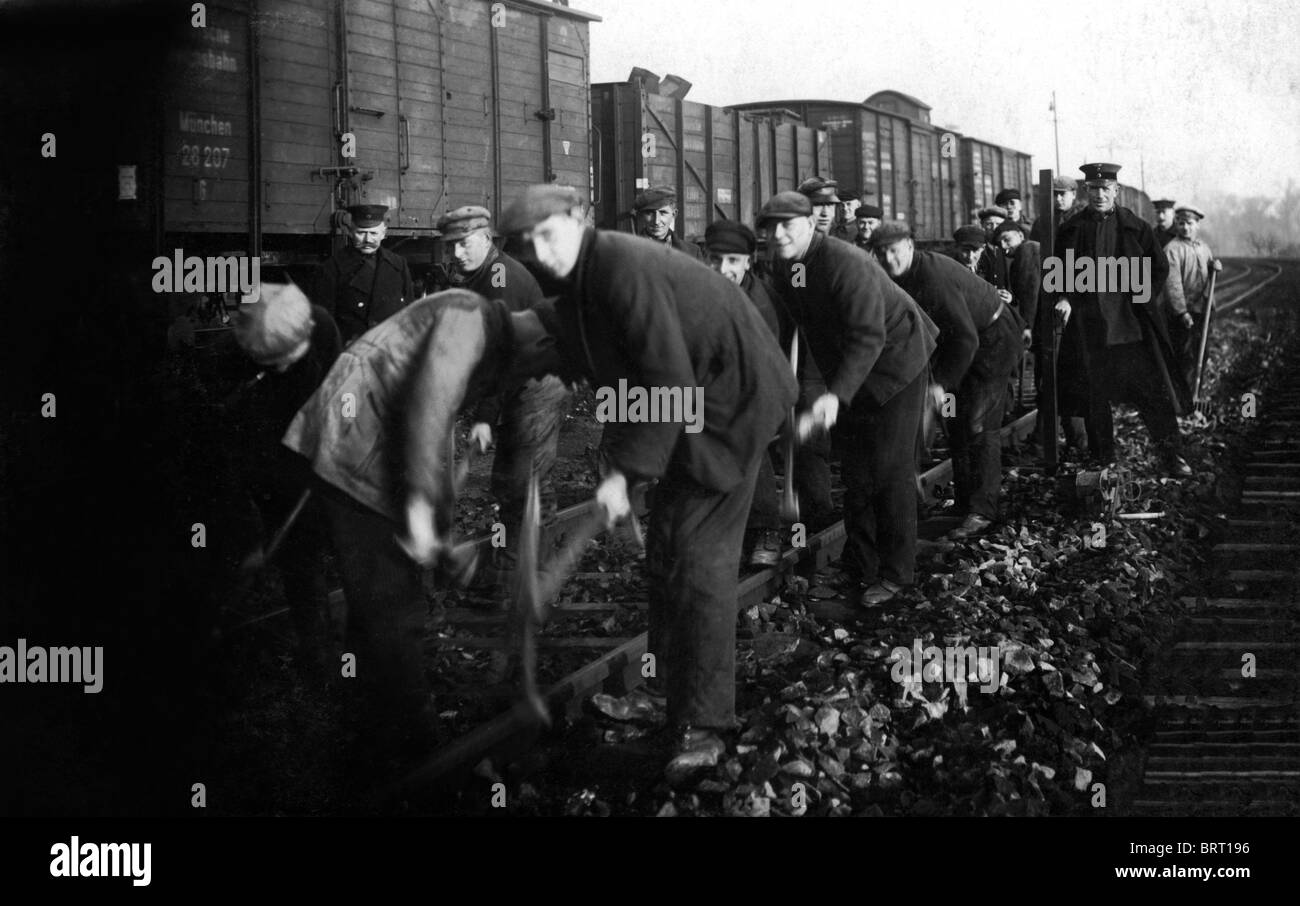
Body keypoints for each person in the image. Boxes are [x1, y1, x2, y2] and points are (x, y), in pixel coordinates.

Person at [499, 185, 798, 775]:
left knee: (700, 564)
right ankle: (662, 690)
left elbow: (664, 373)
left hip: (733, 403)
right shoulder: (586, 276)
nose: (542, 251)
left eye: (550, 234)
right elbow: (611, 361)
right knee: (665, 554)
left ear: (580, 221)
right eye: (530, 244)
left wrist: (630, 472)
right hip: (693, 401)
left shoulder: (620, 267)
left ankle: (709, 722)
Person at [282, 289, 561, 775]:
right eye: (542, 367)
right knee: (395, 608)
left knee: (375, 608)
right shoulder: (467, 322)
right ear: (538, 343)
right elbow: (429, 418)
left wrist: (439, 531)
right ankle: (423, 755)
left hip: (356, 441)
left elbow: (434, 419)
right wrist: (425, 524)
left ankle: (369, 735)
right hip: (357, 451)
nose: (534, 378)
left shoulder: (475, 320)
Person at [760, 191, 936, 607]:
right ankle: (861, 561)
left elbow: (868, 336)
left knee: (889, 471)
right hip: (853, 367)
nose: (779, 233)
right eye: (772, 226)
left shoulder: (844, 263)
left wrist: (836, 395)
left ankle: (897, 575)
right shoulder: (787, 265)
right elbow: (796, 323)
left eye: (788, 224)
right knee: (857, 469)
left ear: (809, 224)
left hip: (897, 362)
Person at [435, 205, 572, 578]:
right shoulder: (483, 275)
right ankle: (517, 569)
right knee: (511, 483)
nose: (455, 254)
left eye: (463, 244)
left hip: (537, 386)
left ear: (485, 239)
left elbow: (504, 356)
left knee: (525, 484)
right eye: (450, 247)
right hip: (519, 382)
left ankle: (530, 582)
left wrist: (483, 417)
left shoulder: (499, 279)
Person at [871, 222, 1022, 540]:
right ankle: (965, 504)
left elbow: (966, 339)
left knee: (979, 424)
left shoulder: (932, 276)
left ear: (910, 246)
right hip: (959, 343)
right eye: (881, 252)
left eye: (894, 251)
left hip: (992, 337)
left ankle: (983, 511)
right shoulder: (895, 275)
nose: (888, 259)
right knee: (956, 422)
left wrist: (940, 384)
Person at [230, 282, 341, 677]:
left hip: (327, 451)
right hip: (272, 455)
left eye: (286, 360)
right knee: (299, 559)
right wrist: (251, 534)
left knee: (343, 543)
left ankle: (363, 636)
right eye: (270, 363)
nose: (279, 368)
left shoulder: (322, 327)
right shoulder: (236, 360)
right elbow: (238, 454)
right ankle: (317, 655)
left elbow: (337, 394)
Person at [1051, 163, 1192, 477]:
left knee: (1153, 395)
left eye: (1105, 189)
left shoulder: (1137, 228)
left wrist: (1140, 296)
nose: (1099, 195)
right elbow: (1059, 270)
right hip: (1091, 330)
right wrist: (1063, 295)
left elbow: (1159, 269)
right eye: (1094, 189)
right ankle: (1103, 460)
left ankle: (1172, 456)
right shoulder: (1072, 229)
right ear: (1086, 191)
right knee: (1093, 397)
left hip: (1131, 330)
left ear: (1115, 191)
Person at [704, 219, 786, 567]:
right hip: (718, 382)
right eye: (715, 259)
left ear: (749, 261)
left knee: (751, 448)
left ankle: (768, 529)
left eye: (733, 261)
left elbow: (760, 374)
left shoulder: (759, 306)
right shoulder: (706, 286)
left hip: (760, 385)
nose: (723, 270)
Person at [315, 204, 415, 345]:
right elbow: (324, 322)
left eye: (374, 233)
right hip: (351, 350)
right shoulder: (332, 267)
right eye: (361, 233)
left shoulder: (398, 264)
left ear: (384, 233)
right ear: (350, 231)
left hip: (389, 349)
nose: (368, 240)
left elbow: (409, 313)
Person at [1163, 205, 1216, 388]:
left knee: (1203, 351)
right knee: (1185, 355)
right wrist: (1181, 312)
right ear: (1176, 224)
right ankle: (1184, 397)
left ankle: (1196, 392)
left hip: (1202, 310)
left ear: (1197, 225)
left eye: (1190, 223)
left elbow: (1209, 276)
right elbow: (1172, 285)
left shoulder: (1203, 248)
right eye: (1181, 223)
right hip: (1184, 314)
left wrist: (1215, 265)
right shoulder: (1172, 249)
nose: (1185, 227)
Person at [632, 185, 704, 261]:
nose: (656, 221)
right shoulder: (626, 250)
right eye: (650, 213)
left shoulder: (692, 253)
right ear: (641, 216)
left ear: (674, 214)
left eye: (663, 213)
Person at [1030, 176, 1078, 246]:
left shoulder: (1082, 220)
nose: (1058, 199)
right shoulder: (1041, 222)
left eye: (1062, 194)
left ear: (1074, 194)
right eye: (1055, 194)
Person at [976, 205, 1010, 290]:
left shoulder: (1010, 250)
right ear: (982, 225)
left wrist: (1011, 296)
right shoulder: (977, 250)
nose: (994, 228)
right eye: (989, 224)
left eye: (998, 224)